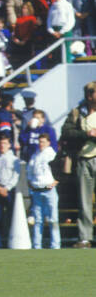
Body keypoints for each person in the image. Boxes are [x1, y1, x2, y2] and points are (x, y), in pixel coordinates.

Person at [60, 81, 96, 248]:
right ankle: (85, 237)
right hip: (84, 159)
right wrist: (86, 134)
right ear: (89, 95)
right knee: (84, 201)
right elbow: (66, 132)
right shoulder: (77, 113)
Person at [0, 134, 21, 249]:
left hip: (9, 191)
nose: (2, 146)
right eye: (1, 143)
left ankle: (12, 242)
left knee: (11, 217)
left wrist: (7, 188)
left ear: (9, 145)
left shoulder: (14, 160)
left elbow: (16, 176)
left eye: (5, 143)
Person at [27, 132, 61, 249]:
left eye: (43, 142)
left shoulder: (52, 154)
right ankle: (37, 245)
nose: (41, 144)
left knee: (53, 219)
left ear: (48, 143)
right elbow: (29, 171)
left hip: (49, 189)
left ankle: (55, 245)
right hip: (37, 189)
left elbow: (59, 171)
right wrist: (31, 182)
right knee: (37, 220)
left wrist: (54, 183)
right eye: (39, 141)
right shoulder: (35, 155)